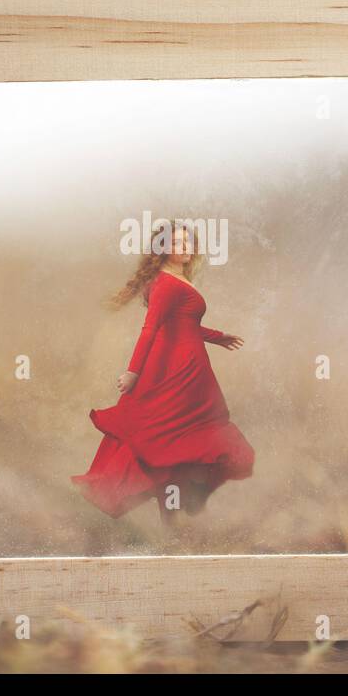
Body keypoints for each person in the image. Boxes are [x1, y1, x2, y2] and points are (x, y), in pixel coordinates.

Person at [71, 221, 254, 525]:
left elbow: (183, 324)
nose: (185, 248)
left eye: (188, 242)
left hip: (192, 370)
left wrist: (218, 336)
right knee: (166, 435)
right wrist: (132, 372)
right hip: (174, 369)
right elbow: (150, 329)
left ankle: (180, 506)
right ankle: (171, 507)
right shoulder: (167, 284)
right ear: (163, 249)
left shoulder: (177, 280)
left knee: (185, 436)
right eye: (178, 243)